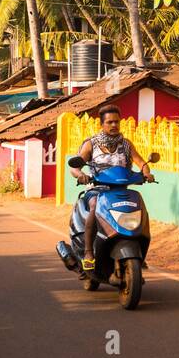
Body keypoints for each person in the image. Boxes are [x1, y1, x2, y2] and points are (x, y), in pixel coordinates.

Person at [73, 105, 153, 274]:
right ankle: (88, 253)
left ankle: (137, 251)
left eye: (116, 122)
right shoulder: (91, 144)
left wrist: (146, 172)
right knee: (94, 207)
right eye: (109, 122)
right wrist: (80, 174)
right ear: (102, 124)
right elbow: (75, 166)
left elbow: (141, 162)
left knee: (140, 208)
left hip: (122, 189)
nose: (114, 125)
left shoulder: (126, 144)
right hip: (98, 190)